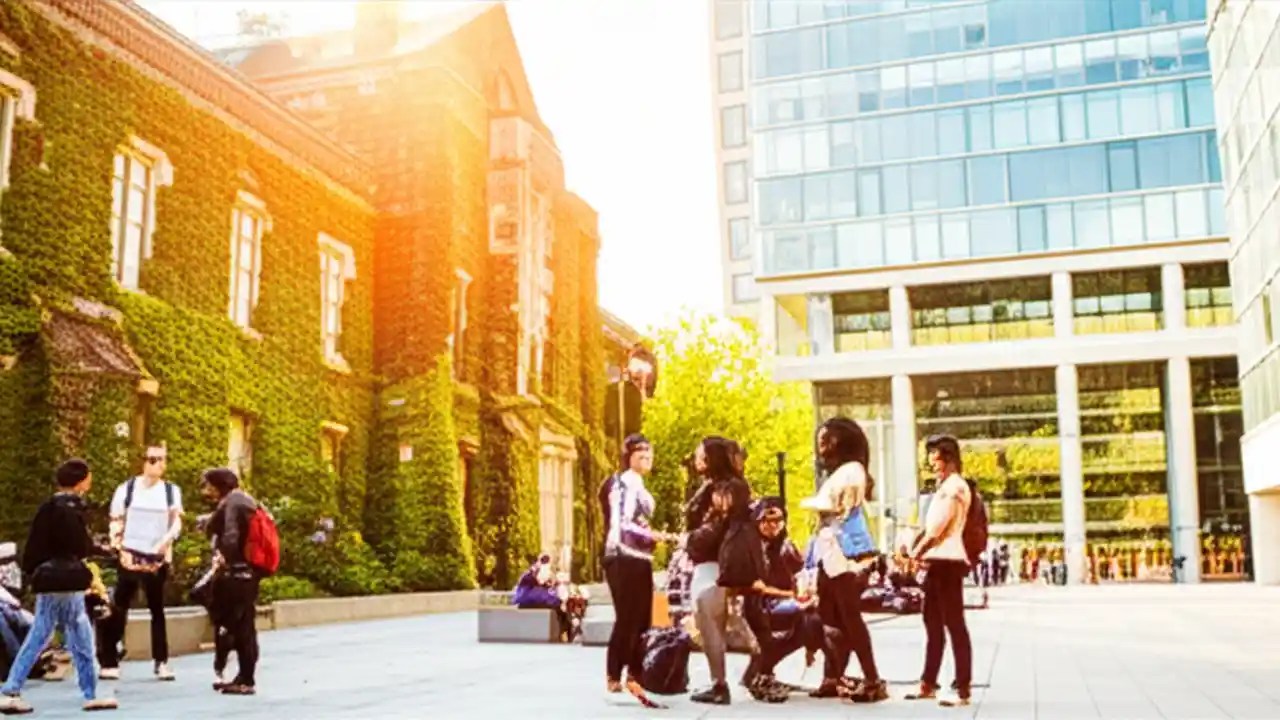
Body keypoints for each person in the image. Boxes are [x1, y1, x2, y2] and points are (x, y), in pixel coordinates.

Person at [0, 459, 118, 714]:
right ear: (82, 481)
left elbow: (33, 548)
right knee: (80, 634)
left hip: (48, 581)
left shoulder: (47, 507)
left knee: (40, 633)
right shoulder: (73, 509)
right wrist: (103, 550)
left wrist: (33, 571)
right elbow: (79, 546)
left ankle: (11, 689)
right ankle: (91, 691)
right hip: (69, 580)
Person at [800, 417, 887, 703]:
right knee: (831, 615)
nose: (821, 447)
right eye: (820, 440)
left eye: (828, 440)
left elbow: (835, 506)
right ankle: (832, 675)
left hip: (847, 554)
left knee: (849, 617)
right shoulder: (840, 473)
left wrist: (807, 503)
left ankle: (872, 679)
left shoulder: (852, 470)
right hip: (832, 552)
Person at [98, 445, 182, 682]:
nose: (160, 464)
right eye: (154, 459)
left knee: (157, 608)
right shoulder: (127, 489)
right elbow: (116, 520)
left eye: (163, 459)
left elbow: (176, 521)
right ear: (143, 462)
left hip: (157, 558)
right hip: (130, 555)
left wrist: (166, 542)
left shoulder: (170, 491)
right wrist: (119, 547)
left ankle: (161, 661)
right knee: (119, 605)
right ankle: (110, 659)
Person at [906, 434, 974, 708]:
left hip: (947, 561)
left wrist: (916, 551)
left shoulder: (954, 488)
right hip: (938, 562)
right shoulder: (946, 486)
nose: (932, 464)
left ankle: (962, 688)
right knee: (932, 622)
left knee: (953, 624)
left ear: (949, 459)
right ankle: (928, 682)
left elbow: (938, 528)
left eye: (936, 459)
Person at [597, 434, 665, 707]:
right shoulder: (624, 484)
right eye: (640, 455)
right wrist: (655, 535)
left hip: (638, 557)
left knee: (641, 618)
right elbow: (622, 523)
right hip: (624, 556)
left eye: (649, 455)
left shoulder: (636, 483)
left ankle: (633, 673)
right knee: (628, 617)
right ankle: (616, 674)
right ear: (629, 457)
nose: (646, 459)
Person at [685, 437, 753, 706]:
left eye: (701, 454)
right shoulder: (715, 487)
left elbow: (717, 527)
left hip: (717, 564)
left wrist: (689, 540)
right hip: (709, 563)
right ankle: (719, 682)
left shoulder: (728, 489)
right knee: (708, 622)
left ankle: (720, 685)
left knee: (710, 620)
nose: (696, 458)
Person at [740, 498, 824, 703]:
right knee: (806, 617)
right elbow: (753, 586)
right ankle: (762, 669)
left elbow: (800, 576)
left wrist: (807, 593)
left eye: (777, 520)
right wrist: (792, 597)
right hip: (759, 605)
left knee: (817, 618)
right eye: (766, 521)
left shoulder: (786, 547)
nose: (772, 526)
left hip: (785, 603)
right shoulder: (751, 548)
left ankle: (763, 668)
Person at [200, 467, 262, 696]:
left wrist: (224, 559)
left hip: (236, 573)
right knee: (244, 624)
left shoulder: (232, 503)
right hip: (249, 573)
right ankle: (243, 676)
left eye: (208, 485)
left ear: (219, 485)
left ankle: (246, 679)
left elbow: (231, 536)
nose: (206, 491)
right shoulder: (244, 499)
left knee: (240, 626)